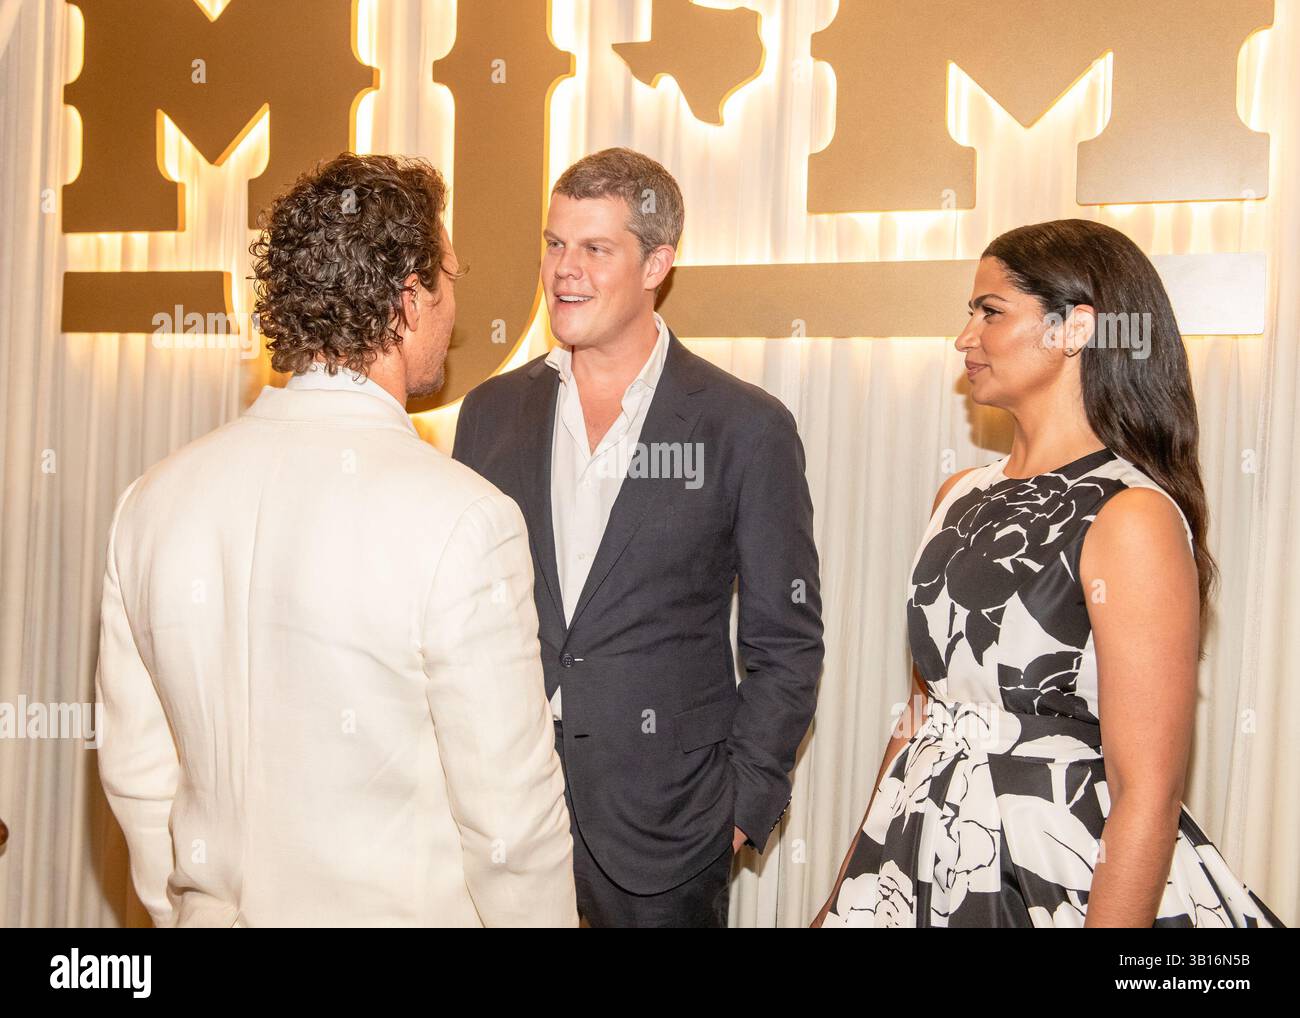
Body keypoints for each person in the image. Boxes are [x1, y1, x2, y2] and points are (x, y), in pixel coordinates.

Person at [95, 153, 577, 928]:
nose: (455, 305)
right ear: (410, 299)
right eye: (450, 275)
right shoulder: (464, 520)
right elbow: (510, 829)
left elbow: (138, 776)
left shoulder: (150, 503)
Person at [816, 219, 1282, 928]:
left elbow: (1146, 791)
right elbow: (922, 716)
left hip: (1055, 873)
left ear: (1075, 329)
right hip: (920, 857)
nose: (964, 337)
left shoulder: (1131, 516)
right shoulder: (960, 495)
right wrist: (847, 894)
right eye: (970, 312)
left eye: (991, 311)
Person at [452, 147, 823, 927]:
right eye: (554, 244)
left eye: (595, 248)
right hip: (498, 811)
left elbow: (786, 642)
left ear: (658, 262)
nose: (564, 271)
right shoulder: (490, 412)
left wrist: (740, 807)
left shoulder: (744, 427)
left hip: (669, 824)